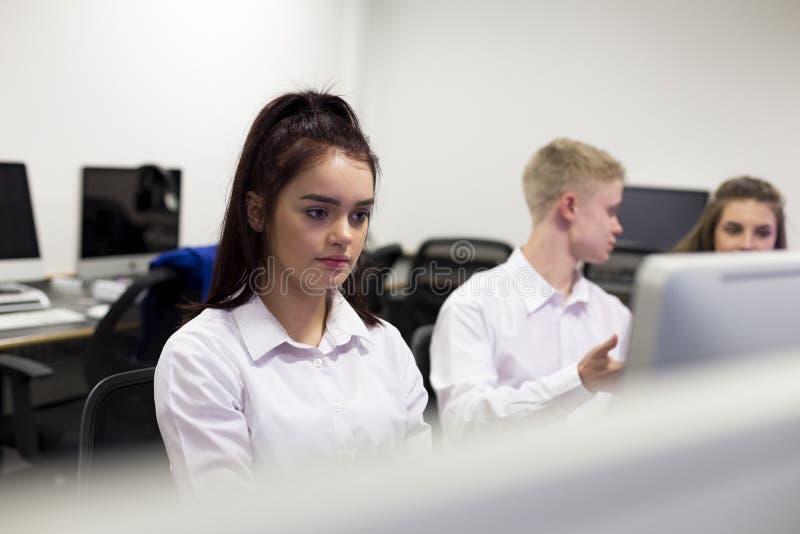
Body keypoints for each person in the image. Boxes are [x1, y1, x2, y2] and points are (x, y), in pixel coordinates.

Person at [154, 91, 431, 495]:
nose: (345, 236)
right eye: (318, 212)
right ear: (257, 212)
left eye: (360, 215)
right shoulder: (202, 358)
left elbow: (423, 496)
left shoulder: (386, 346)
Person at [429, 138, 631, 440]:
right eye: (611, 211)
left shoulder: (614, 313)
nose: (618, 227)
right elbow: (464, 427)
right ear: (570, 206)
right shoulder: (473, 305)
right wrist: (577, 381)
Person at [673, 176, 786, 252]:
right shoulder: (674, 283)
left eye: (762, 234)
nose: (747, 245)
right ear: (711, 233)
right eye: (733, 230)